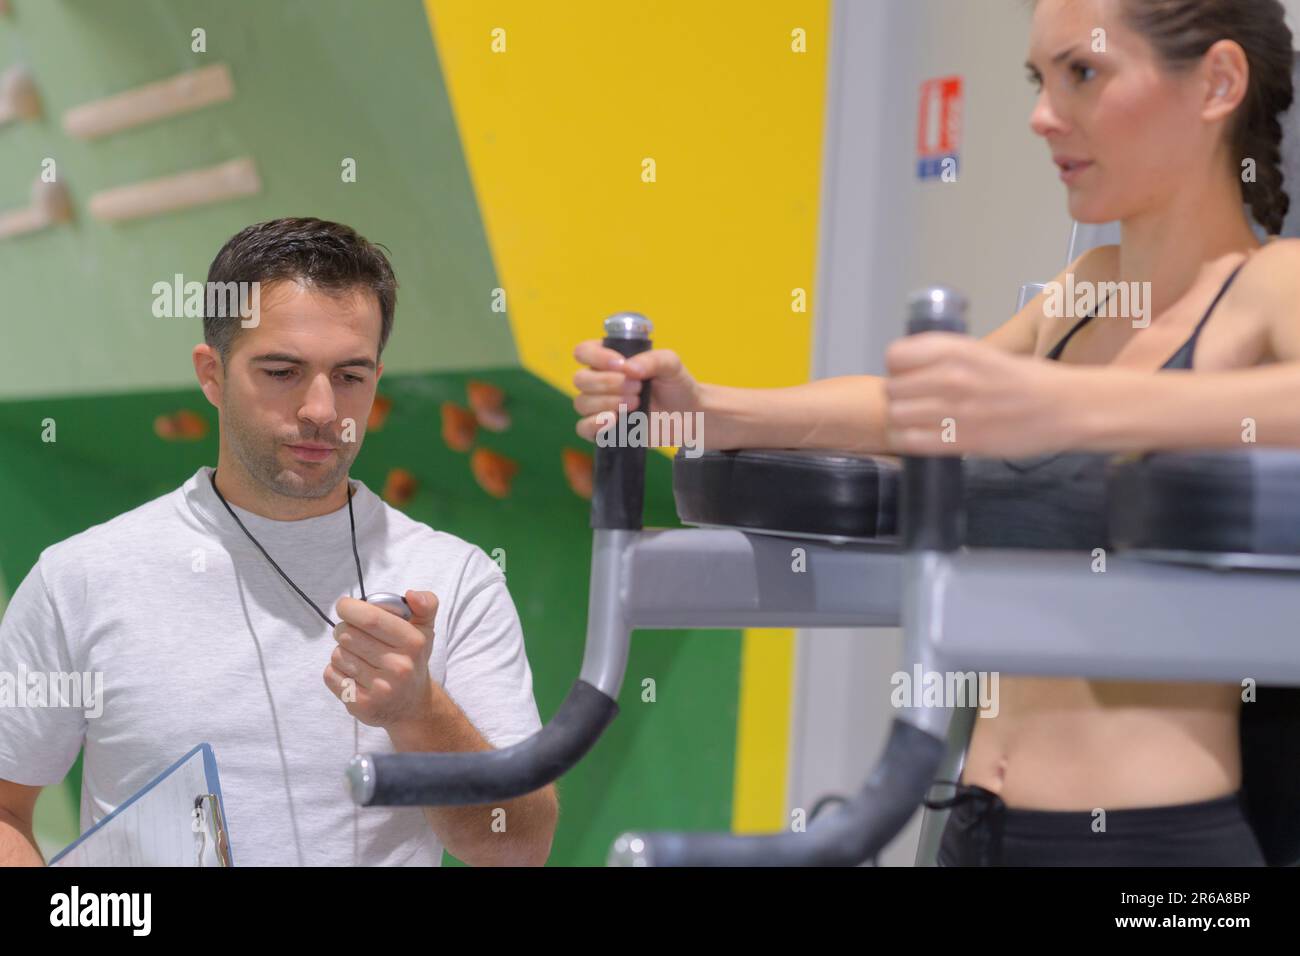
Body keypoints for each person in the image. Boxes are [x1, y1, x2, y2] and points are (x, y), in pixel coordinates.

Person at [571, 0, 1300, 865]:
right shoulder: (1090, 290)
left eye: (1085, 73)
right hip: (979, 826)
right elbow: (907, 410)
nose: (1042, 113)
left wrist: (1061, 407)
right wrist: (702, 407)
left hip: (1150, 855)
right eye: (1040, 79)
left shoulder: (1268, 285)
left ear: (1216, 82)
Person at [0, 217, 557, 866]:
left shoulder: (455, 579)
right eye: (283, 370)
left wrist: (417, 710)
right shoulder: (81, 578)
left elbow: (518, 846)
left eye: (350, 376)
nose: (322, 408)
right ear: (212, 375)